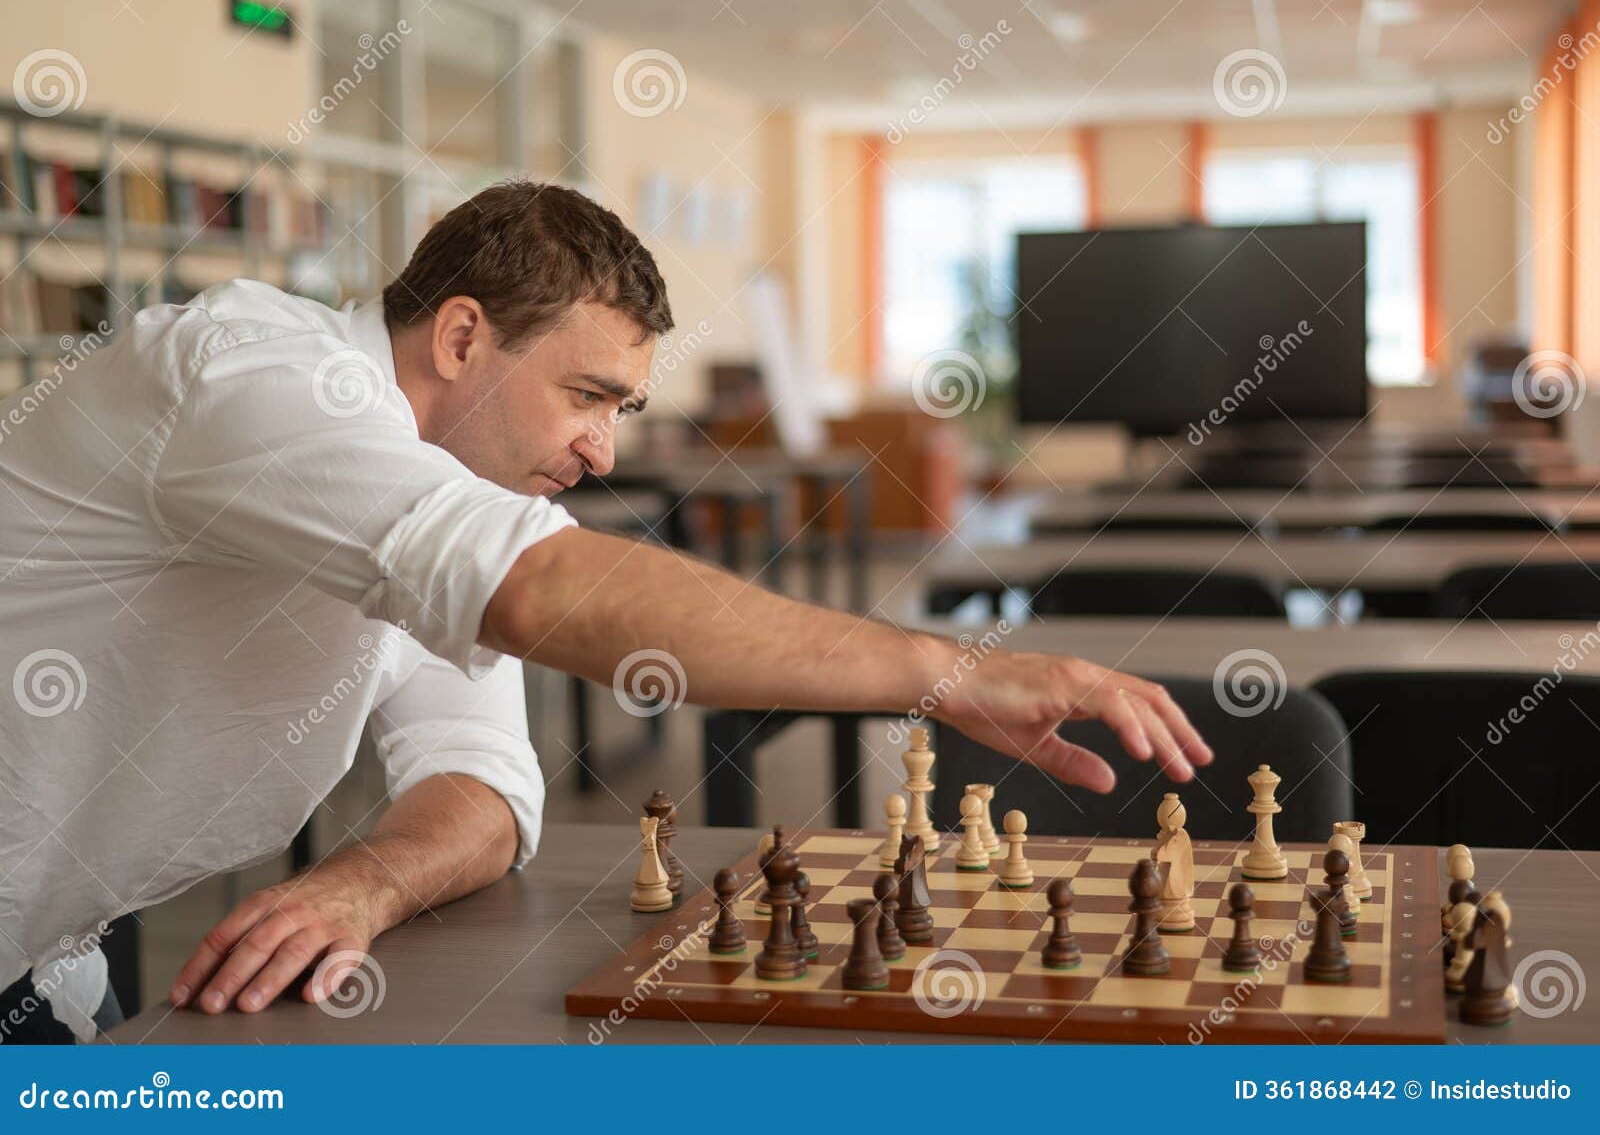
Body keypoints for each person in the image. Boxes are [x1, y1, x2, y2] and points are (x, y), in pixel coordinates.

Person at [0, 181, 1211, 1042]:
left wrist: (363, 882)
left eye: (623, 408)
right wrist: (947, 673)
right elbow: (545, 589)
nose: (598, 447)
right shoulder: (253, 380)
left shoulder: (437, 494)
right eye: (588, 394)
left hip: (54, 945)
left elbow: (481, 776)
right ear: (463, 335)